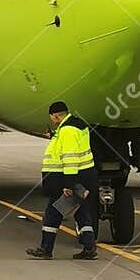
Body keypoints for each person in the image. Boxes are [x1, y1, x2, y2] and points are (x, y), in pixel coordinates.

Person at [26, 101, 97, 260]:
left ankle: (46, 249)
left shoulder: (68, 130)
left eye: (52, 117)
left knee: (52, 214)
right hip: (83, 176)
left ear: (56, 115)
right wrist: (53, 136)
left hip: (67, 179)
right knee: (80, 212)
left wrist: (69, 185)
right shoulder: (75, 125)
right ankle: (89, 247)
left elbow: (70, 157)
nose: (52, 120)